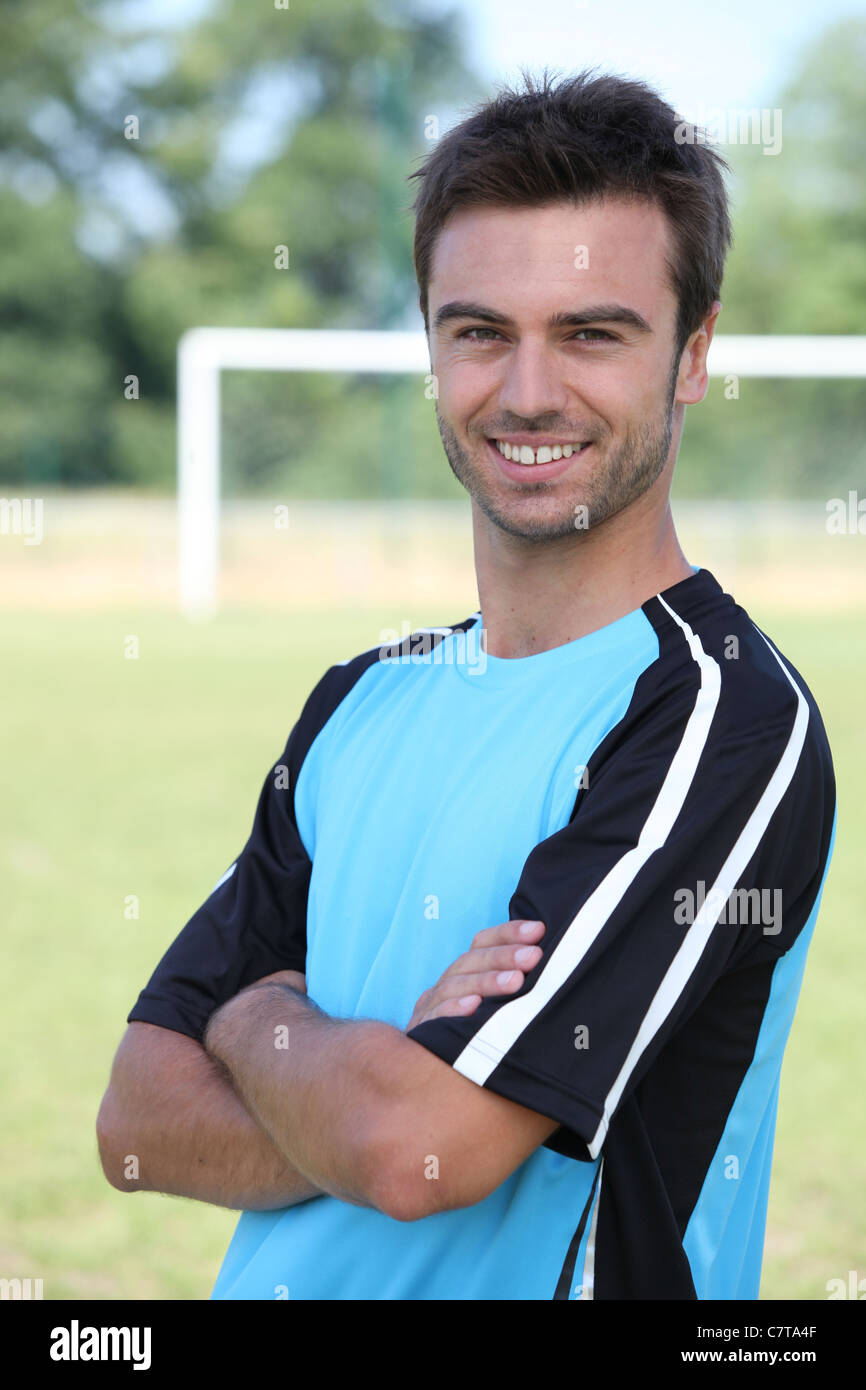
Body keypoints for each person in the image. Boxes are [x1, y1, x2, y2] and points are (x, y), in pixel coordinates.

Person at [97, 68, 836, 1300]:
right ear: (431, 345)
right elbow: (132, 1125)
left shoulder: (719, 720)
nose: (528, 392)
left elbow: (415, 1149)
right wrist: (363, 1060)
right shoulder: (360, 700)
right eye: (479, 330)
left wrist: (252, 1015)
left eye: (592, 333)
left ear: (693, 353)